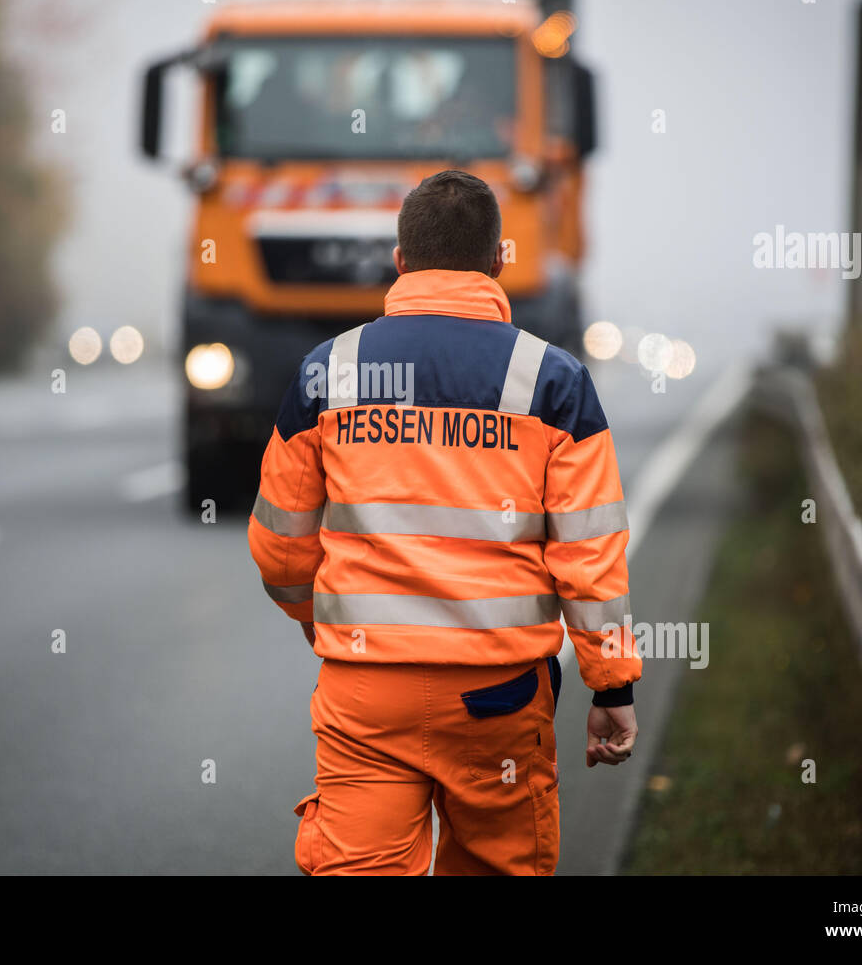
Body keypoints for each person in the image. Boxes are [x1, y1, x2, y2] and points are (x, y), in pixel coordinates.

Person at [247, 169, 641, 876]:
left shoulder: (326, 374)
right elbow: (589, 556)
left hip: (365, 693)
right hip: (500, 699)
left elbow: (281, 545)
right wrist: (610, 685)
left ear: (400, 261)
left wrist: (316, 616)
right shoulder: (553, 383)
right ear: (497, 261)